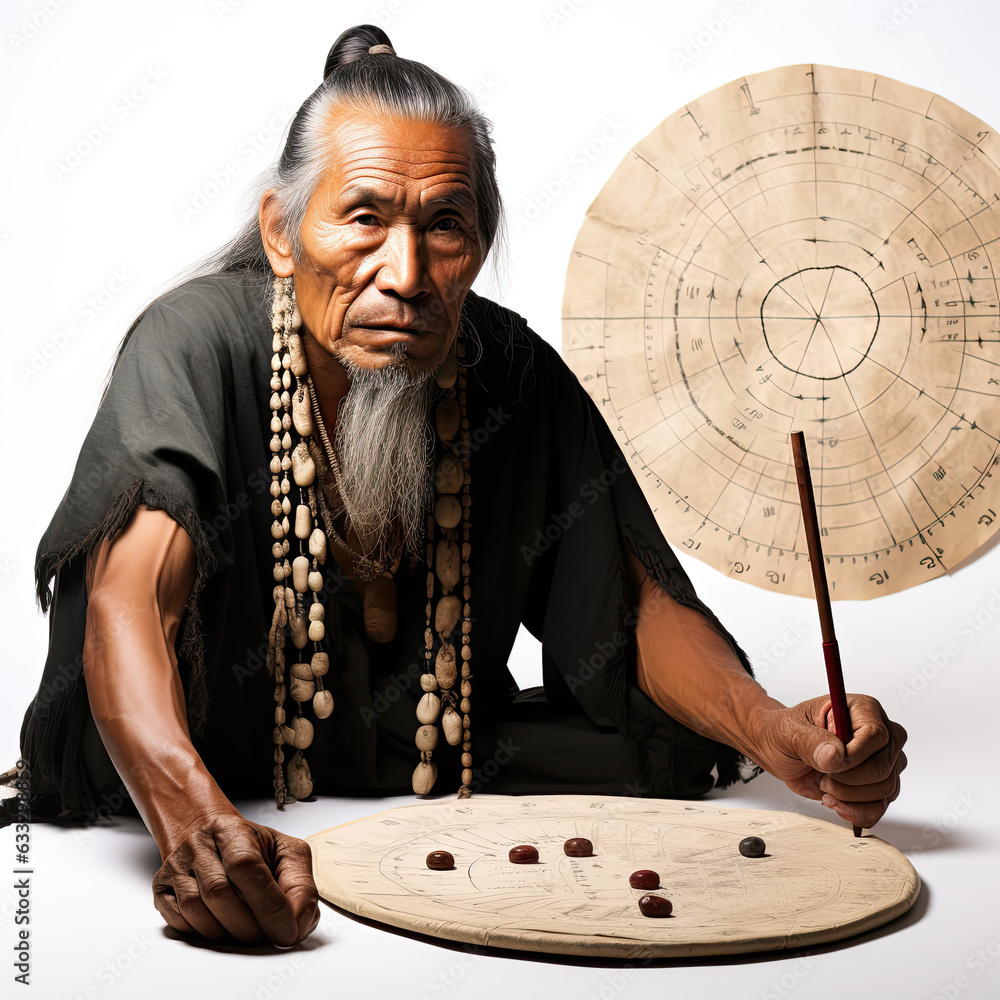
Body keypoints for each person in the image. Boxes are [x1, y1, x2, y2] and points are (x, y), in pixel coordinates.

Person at [1, 25, 906, 948]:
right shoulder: (193, 344)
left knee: (666, 743)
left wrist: (775, 731)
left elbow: (634, 609)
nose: (407, 276)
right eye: (362, 218)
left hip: (437, 765)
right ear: (282, 232)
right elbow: (128, 600)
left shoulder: (509, 370)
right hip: (215, 766)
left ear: (479, 244)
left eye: (444, 226)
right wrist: (190, 820)